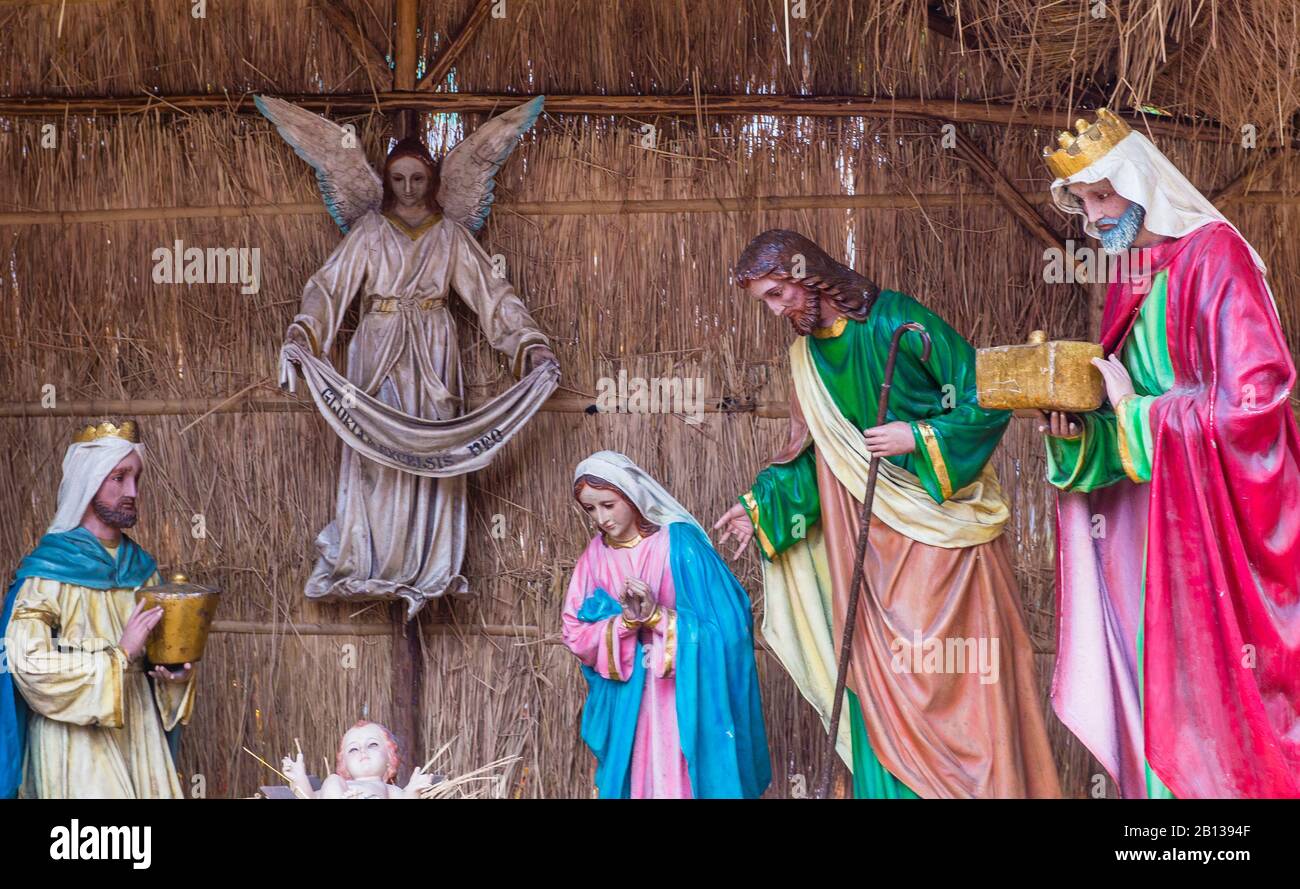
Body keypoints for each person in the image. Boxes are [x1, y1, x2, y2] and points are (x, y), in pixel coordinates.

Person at [714, 230, 1060, 798]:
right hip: (865, 546)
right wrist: (760, 506)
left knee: (960, 678)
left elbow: (981, 394)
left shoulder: (895, 320)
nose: (776, 311)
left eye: (779, 294)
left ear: (809, 275)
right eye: (766, 301)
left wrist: (918, 436)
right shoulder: (804, 356)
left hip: (942, 534)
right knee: (878, 681)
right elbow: (821, 454)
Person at [1039, 109, 1300, 798]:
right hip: (1148, 534)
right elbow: (1124, 426)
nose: (1093, 218)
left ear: (1141, 182)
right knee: (1155, 687)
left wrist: (1137, 414)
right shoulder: (1133, 277)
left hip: (1214, 532)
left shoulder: (1217, 255)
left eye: (1102, 196)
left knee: (1217, 700)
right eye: (1084, 203)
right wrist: (1082, 440)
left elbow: (1255, 399)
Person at [0, 420, 195, 798]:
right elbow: (26, 663)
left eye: (136, 478)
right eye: (118, 478)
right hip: (74, 740)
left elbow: (160, 663)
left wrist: (175, 680)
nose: (132, 491)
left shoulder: (144, 570)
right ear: (88, 481)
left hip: (139, 732)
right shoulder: (48, 571)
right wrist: (118, 656)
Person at [563, 451, 770, 798]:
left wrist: (658, 618)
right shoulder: (595, 555)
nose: (601, 518)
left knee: (681, 777)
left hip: (682, 696)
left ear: (632, 494)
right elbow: (574, 631)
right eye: (591, 509)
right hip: (629, 701)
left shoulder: (679, 544)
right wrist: (625, 623)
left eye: (608, 504)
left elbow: (730, 625)